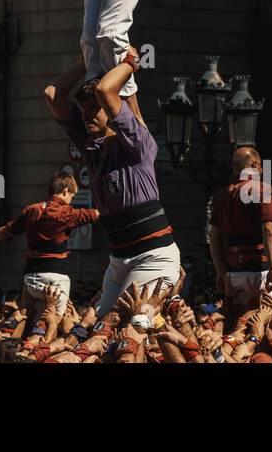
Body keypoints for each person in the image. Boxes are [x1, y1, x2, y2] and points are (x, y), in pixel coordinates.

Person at [45, 51, 180, 318]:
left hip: (152, 253)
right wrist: (86, 60)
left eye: (93, 107)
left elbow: (108, 90)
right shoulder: (90, 147)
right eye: (83, 107)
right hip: (120, 256)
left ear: (112, 111)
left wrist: (129, 62)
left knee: (125, 321)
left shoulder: (136, 143)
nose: (86, 113)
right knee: (92, 325)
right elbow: (52, 95)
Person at [0, 171, 99, 317]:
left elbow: (8, 230)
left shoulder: (31, 210)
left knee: (25, 317)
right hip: (55, 276)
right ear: (65, 191)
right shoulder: (67, 213)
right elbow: (96, 214)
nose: (72, 198)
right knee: (55, 322)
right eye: (72, 195)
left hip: (31, 277)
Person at [209, 146, 272, 312]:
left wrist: (221, 272)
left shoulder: (221, 196)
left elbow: (213, 237)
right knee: (270, 322)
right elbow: (269, 229)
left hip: (234, 273)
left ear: (235, 168)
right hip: (260, 271)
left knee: (236, 324)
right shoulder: (263, 190)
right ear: (256, 165)